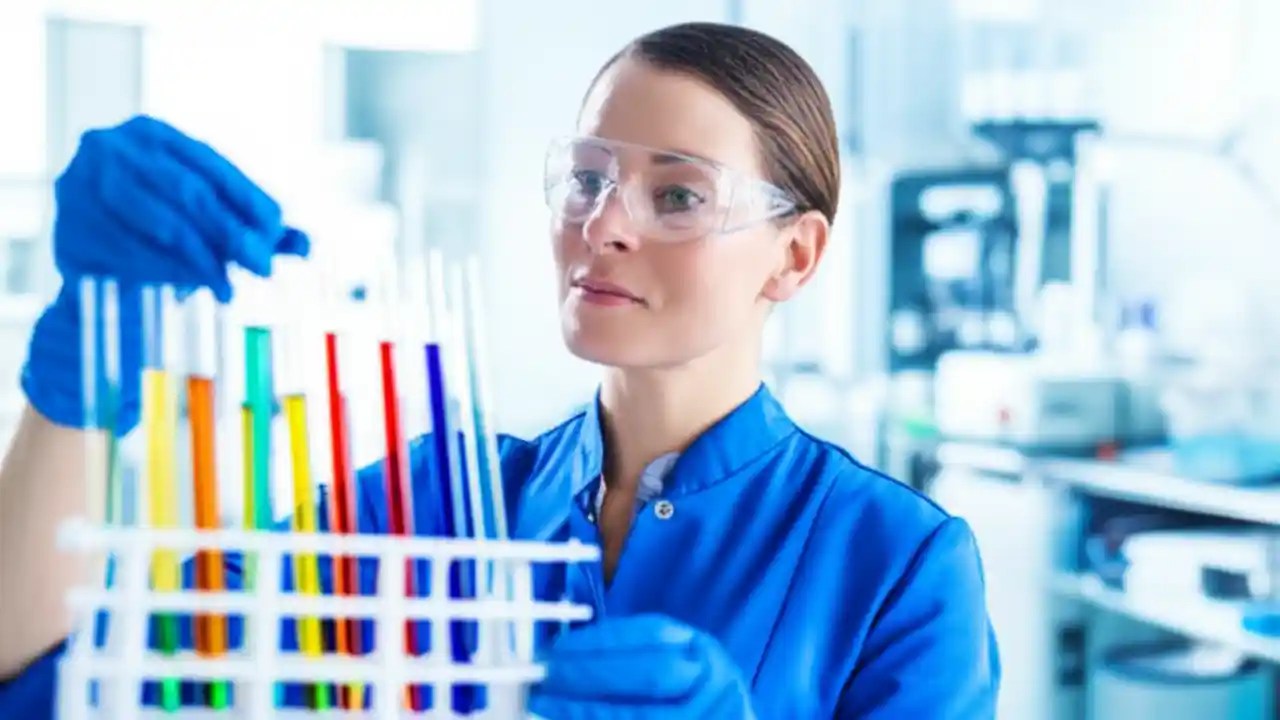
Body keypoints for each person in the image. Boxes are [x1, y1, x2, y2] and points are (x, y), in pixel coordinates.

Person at [0, 21, 999, 719]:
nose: (601, 225)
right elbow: (54, 680)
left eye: (679, 196)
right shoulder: (424, 500)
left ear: (795, 255)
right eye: (588, 178)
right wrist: (84, 357)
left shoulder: (895, 565)